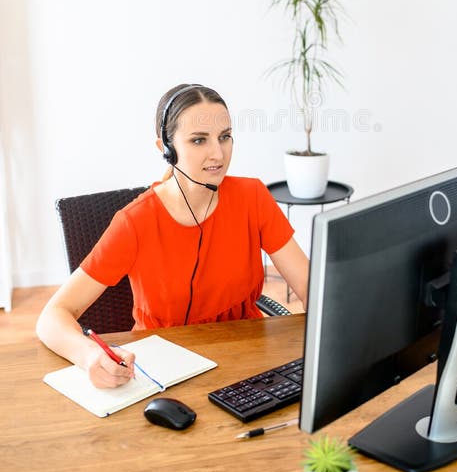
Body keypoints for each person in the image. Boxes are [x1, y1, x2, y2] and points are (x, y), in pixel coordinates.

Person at [36, 83, 309, 388]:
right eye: (198, 140)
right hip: (164, 371)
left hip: (249, 363)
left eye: (225, 137)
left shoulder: (252, 197)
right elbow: (52, 317)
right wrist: (89, 357)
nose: (217, 153)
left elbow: (310, 285)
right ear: (166, 149)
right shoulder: (135, 222)